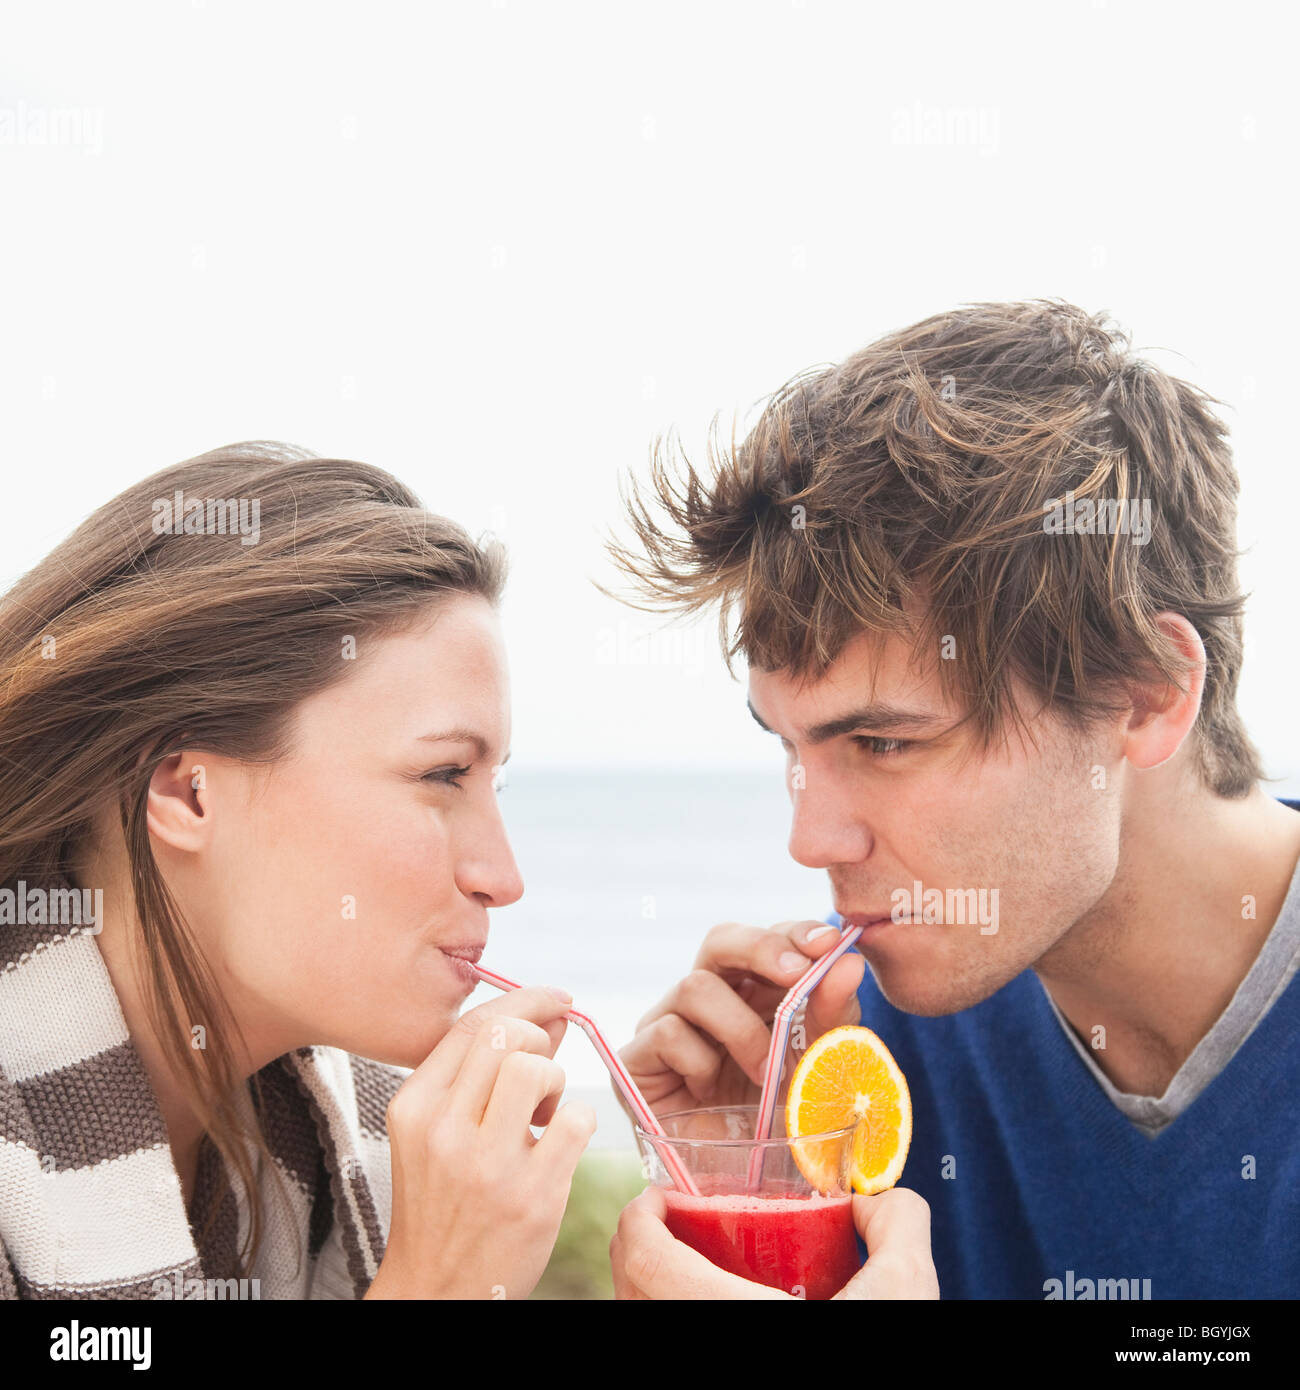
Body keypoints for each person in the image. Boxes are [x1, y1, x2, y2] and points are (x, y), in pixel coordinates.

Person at [606, 300, 1300, 1299]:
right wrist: (759, 1196)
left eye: (884, 741)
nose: (810, 839)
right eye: (790, 748)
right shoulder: (860, 1068)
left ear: (1147, 694)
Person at [0, 441, 594, 1299]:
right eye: (442, 776)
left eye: (493, 783)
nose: (501, 876)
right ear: (188, 794)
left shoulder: (350, 1152)